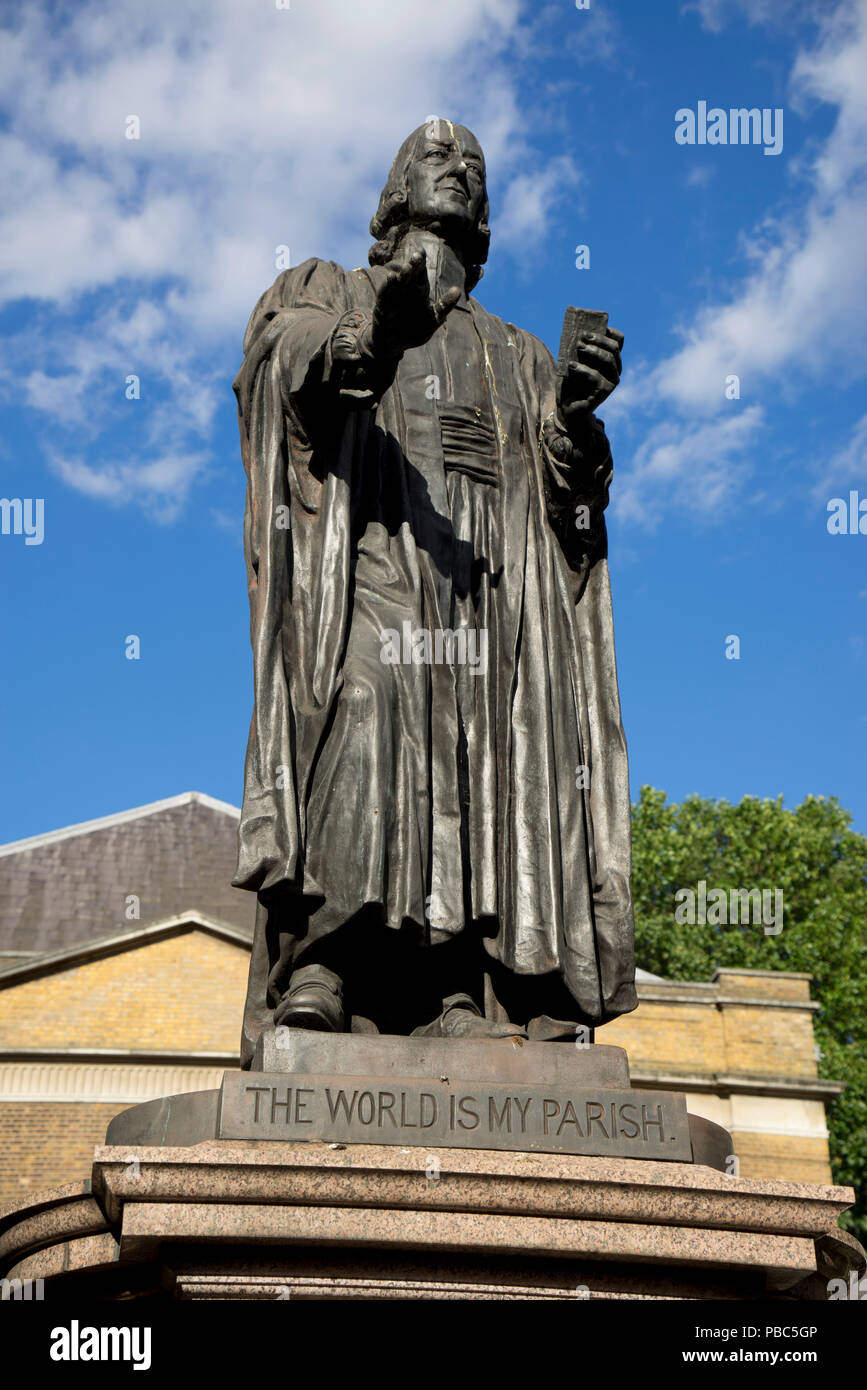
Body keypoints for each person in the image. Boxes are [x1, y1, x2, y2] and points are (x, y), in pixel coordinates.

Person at [233, 119, 636, 1066]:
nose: (458, 167)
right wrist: (372, 327)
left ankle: (457, 986)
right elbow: (279, 368)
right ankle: (325, 968)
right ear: (393, 190)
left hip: (490, 600)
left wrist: (575, 428)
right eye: (437, 155)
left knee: (483, 765)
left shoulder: (522, 355)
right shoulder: (330, 285)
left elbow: (570, 516)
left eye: (475, 165)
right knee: (367, 712)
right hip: (375, 567)